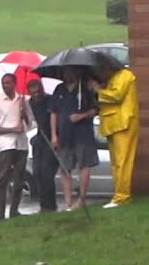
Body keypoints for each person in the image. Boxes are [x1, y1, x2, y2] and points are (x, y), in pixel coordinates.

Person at [90, 55, 138, 208]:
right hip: (113, 124)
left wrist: (98, 90)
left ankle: (122, 197)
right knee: (116, 162)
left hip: (123, 123)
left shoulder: (125, 76)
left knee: (123, 161)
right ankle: (119, 195)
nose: (100, 73)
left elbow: (116, 96)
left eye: (100, 70)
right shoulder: (111, 79)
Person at [51, 67, 99, 211]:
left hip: (83, 135)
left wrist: (81, 116)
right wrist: (54, 134)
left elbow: (96, 109)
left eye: (69, 72)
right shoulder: (59, 89)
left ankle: (82, 199)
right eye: (65, 72)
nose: (67, 75)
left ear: (76, 72)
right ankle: (68, 203)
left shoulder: (85, 88)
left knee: (84, 165)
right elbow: (54, 113)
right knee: (65, 168)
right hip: (64, 136)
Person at [0, 74, 32, 220]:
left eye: (8, 83)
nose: (6, 86)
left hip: (21, 144)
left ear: (15, 83)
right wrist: (12, 129)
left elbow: (30, 122)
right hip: (6, 144)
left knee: (19, 179)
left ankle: (14, 210)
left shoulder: (22, 100)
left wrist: (24, 113)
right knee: (3, 179)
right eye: (3, 83)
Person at [25, 78, 57, 212]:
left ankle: (50, 205)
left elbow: (53, 117)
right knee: (37, 172)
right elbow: (28, 123)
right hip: (40, 139)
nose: (36, 95)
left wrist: (54, 136)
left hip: (50, 138)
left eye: (38, 91)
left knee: (47, 173)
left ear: (42, 89)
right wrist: (24, 112)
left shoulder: (49, 100)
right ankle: (43, 205)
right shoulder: (30, 103)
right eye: (33, 93)